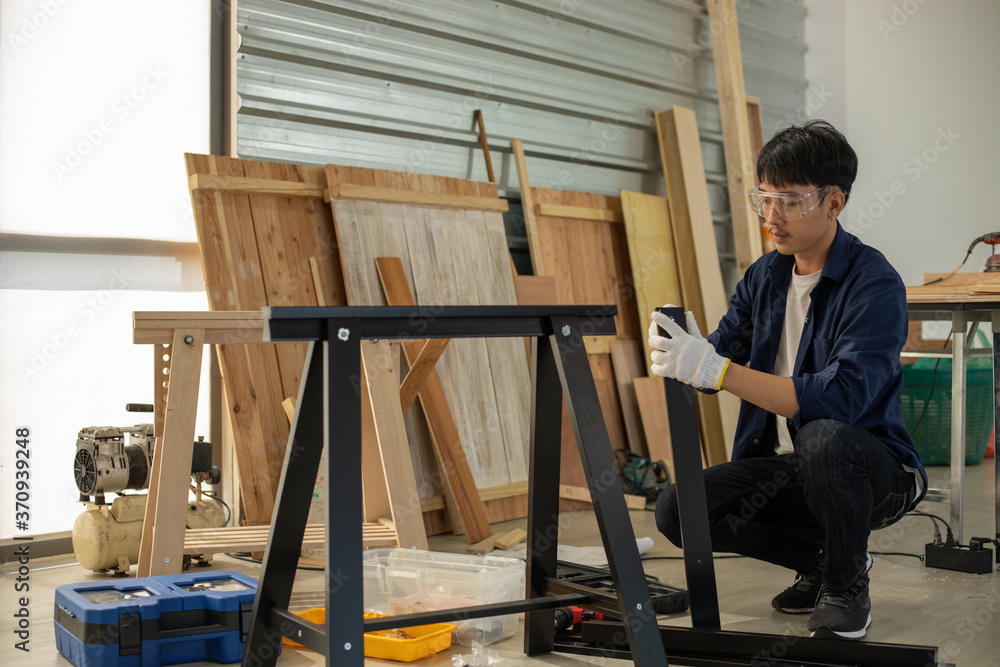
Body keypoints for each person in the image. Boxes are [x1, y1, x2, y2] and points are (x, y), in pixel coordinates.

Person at [647, 120, 926, 641]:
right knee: (677, 510)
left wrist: (717, 370)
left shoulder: (874, 283)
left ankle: (845, 586)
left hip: (873, 474)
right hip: (791, 469)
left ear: (834, 203)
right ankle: (821, 560)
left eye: (790, 201)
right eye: (765, 199)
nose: (772, 217)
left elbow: (840, 399)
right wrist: (685, 351)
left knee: (822, 437)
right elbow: (719, 361)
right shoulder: (765, 277)